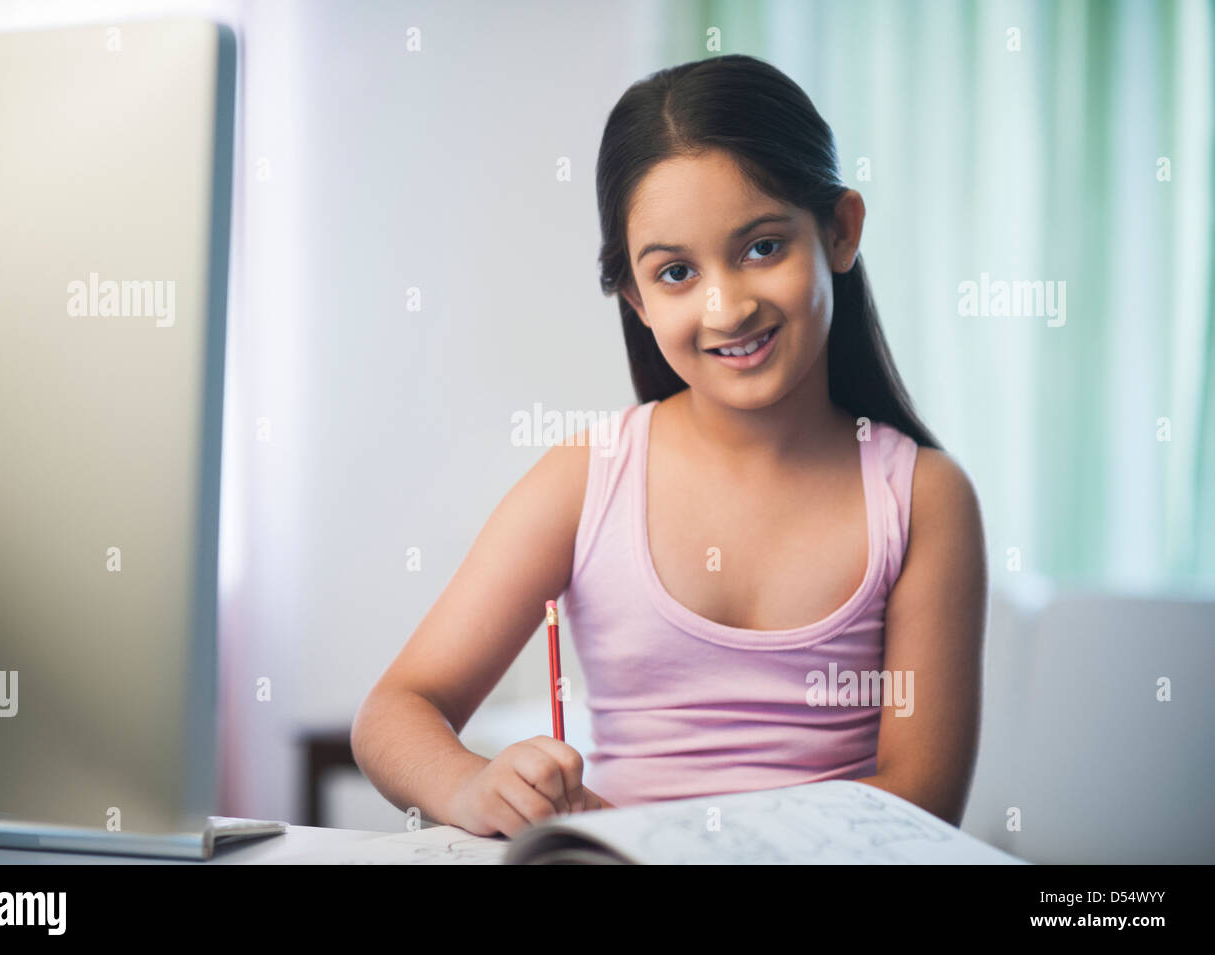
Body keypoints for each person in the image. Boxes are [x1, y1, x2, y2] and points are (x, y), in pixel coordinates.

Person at [351, 54, 986, 838]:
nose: (726, 307)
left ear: (841, 231)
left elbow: (921, 801)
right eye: (677, 271)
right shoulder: (586, 480)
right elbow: (392, 713)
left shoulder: (923, 498)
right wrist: (475, 788)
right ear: (637, 300)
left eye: (762, 248)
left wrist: (693, 850)